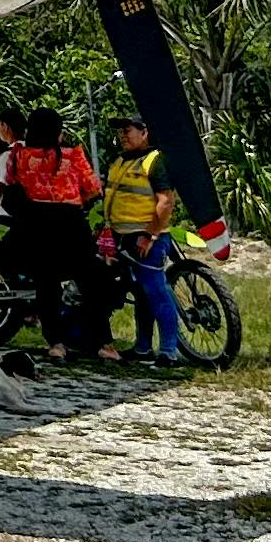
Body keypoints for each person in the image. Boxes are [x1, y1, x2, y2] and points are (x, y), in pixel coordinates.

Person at [0, 107, 105, 358]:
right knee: (90, 281)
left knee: (47, 285)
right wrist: (74, 199)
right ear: (58, 132)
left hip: (36, 224)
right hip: (71, 223)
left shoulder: (19, 155)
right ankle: (104, 344)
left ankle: (56, 343)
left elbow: (12, 187)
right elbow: (93, 188)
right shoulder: (73, 155)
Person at [99, 112, 191, 366]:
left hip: (146, 238)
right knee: (141, 293)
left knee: (156, 291)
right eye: (120, 131)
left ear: (144, 132)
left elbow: (165, 201)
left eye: (128, 130)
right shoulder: (120, 161)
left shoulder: (153, 161)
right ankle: (142, 347)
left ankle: (168, 350)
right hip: (122, 238)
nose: (122, 136)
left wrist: (149, 234)